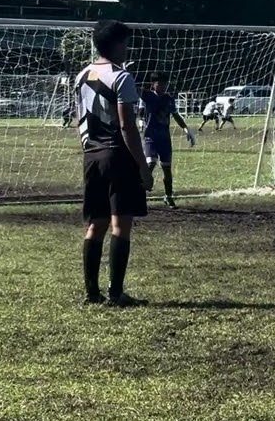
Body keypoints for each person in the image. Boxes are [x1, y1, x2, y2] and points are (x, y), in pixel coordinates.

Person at [74, 20, 152, 307]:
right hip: (118, 156)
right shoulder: (122, 77)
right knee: (121, 225)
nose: (127, 48)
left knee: (96, 224)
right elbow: (127, 126)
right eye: (125, 42)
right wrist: (142, 166)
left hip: (92, 155)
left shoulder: (81, 75)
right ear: (117, 44)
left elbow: (79, 118)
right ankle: (116, 294)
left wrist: (89, 150)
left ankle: (91, 293)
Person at [139, 73, 197, 208]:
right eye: (160, 83)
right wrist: (141, 121)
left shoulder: (168, 99)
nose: (163, 86)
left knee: (167, 168)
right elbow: (141, 111)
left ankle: (168, 196)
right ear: (153, 84)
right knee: (150, 164)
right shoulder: (147, 96)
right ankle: (139, 194)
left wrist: (186, 129)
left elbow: (175, 115)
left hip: (164, 139)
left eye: (165, 84)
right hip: (150, 137)